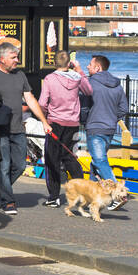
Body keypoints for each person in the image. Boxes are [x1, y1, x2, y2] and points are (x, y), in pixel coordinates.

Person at [0, 41, 50, 215]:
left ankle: (0, 187)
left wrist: (44, 122)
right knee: (4, 166)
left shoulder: (20, 76)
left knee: (19, 166)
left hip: (18, 128)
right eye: (13, 57)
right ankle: (8, 201)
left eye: (17, 56)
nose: (17, 60)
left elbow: (30, 99)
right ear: (2, 59)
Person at [37, 49, 92, 208]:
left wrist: (45, 116)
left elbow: (42, 102)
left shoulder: (49, 78)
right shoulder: (77, 77)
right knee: (70, 157)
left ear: (54, 63)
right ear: (69, 63)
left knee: (51, 158)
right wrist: (80, 70)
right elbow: (89, 91)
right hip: (73, 124)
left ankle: (54, 196)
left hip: (54, 123)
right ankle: (82, 192)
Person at [82, 54, 128, 209]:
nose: (87, 67)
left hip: (94, 127)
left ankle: (117, 194)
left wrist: (84, 119)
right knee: (96, 161)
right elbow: (124, 109)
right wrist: (112, 118)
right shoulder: (117, 85)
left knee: (100, 161)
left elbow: (83, 106)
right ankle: (90, 197)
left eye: (90, 64)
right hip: (109, 128)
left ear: (98, 68)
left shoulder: (90, 83)